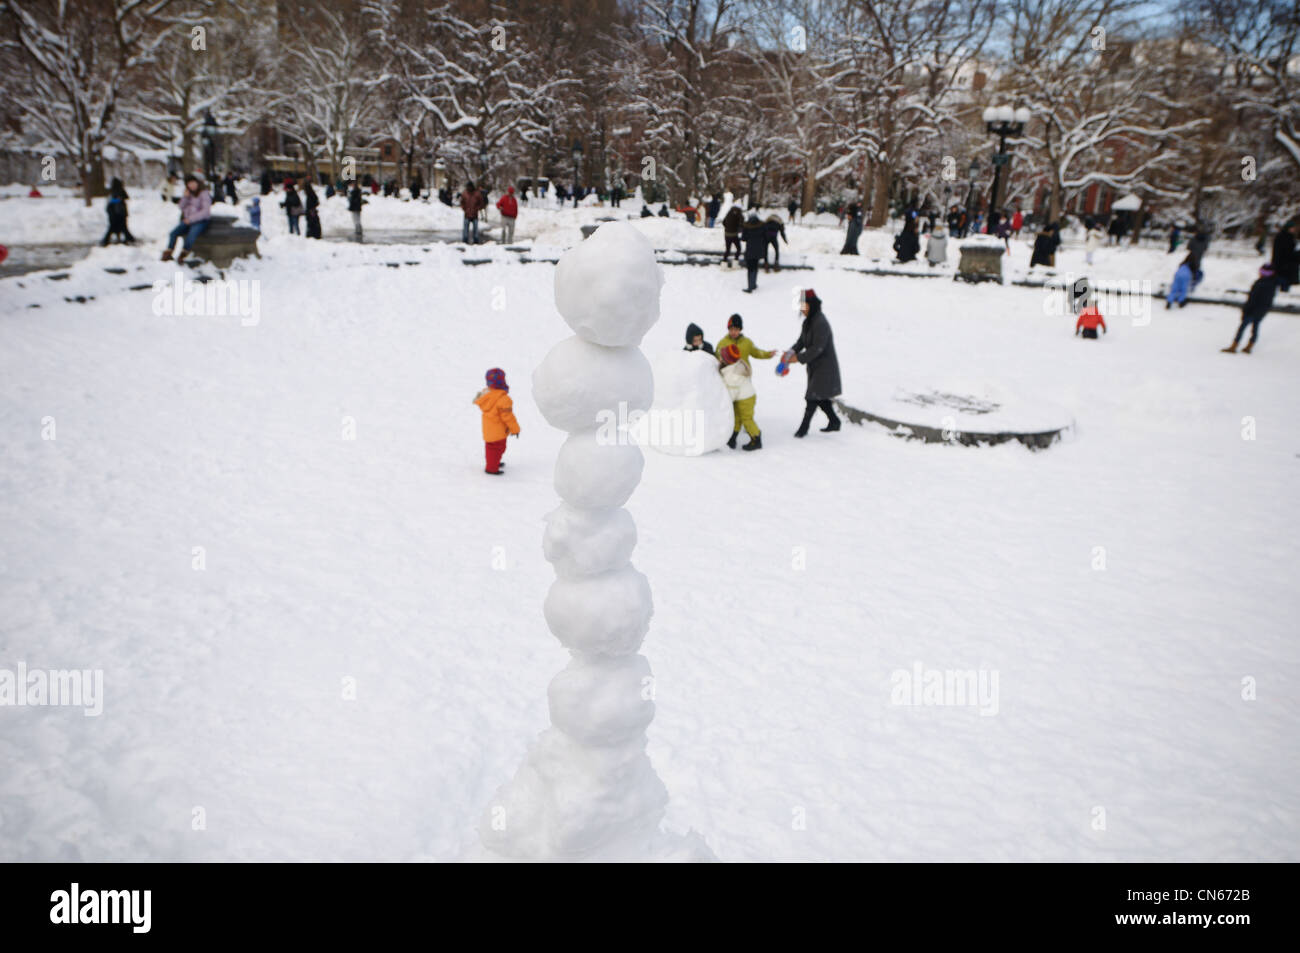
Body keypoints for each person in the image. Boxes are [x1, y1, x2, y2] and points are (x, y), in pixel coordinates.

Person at [787, 289, 842, 437]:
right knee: (820, 397)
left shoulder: (820, 323)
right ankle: (834, 422)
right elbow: (801, 342)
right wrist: (790, 352)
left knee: (812, 397)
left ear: (811, 306)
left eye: (803, 306)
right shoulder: (808, 322)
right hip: (815, 367)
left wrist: (798, 358)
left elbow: (817, 348)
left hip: (825, 368)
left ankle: (802, 430)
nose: (801, 309)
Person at [1221, 264, 1279, 353]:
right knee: (1255, 328)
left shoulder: (1261, 283)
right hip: (1261, 311)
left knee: (1242, 327)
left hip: (1252, 310)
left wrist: (1246, 309)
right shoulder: (1273, 284)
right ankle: (1250, 346)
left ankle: (1234, 345)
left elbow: (1253, 298)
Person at [474, 367, 520, 475]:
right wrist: (515, 429)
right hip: (498, 431)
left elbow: (477, 398)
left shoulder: (485, 394)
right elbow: (508, 416)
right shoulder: (503, 399)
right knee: (497, 448)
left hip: (489, 430)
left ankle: (493, 462)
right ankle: (491, 468)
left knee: (493, 449)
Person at [718, 343, 762, 451]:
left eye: (722, 357)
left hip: (745, 399)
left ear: (727, 360)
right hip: (742, 396)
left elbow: (731, 394)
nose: (719, 358)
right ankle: (732, 438)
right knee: (736, 418)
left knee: (747, 419)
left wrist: (725, 404)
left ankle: (756, 438)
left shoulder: (733, 375)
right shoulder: (733, 366)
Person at [160, 174, 212, 262]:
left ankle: (183, 255)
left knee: (191, 235)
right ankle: (168, 253)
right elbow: (181, 207)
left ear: (197, 182)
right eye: (189, 183)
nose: (192, 185)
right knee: (173, 233)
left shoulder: (204, 193)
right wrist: (185, 197)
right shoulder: (189, 194)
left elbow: (206, 212)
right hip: (188, 220)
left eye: (193, 182)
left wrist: (190, 219)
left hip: (201, 220)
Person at [101, 177, 134, 246]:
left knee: (114, 227)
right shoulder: (120, 190)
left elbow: (111, 202)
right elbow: (125, 197)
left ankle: (106, 240)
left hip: (114, 213)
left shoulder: (112, 191)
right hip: (120, 213)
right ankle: (129, 238)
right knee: (122, 227)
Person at [740, 213, 767, 292]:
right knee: (755, 266)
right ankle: (754, 284)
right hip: (759, 250)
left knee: (750, 268)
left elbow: (743, 238)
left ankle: (750, 287)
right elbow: (766, 237)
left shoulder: (747, 227)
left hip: (750, 249)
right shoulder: (762, 226)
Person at [1270, 220, 1297, 292]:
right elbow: (1287, 252)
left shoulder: (1286, 236)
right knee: (1283, 282)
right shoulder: (1286, 237)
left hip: (1282, 265)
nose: (1294, 229)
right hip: (1284, 266)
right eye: (1293, 228)